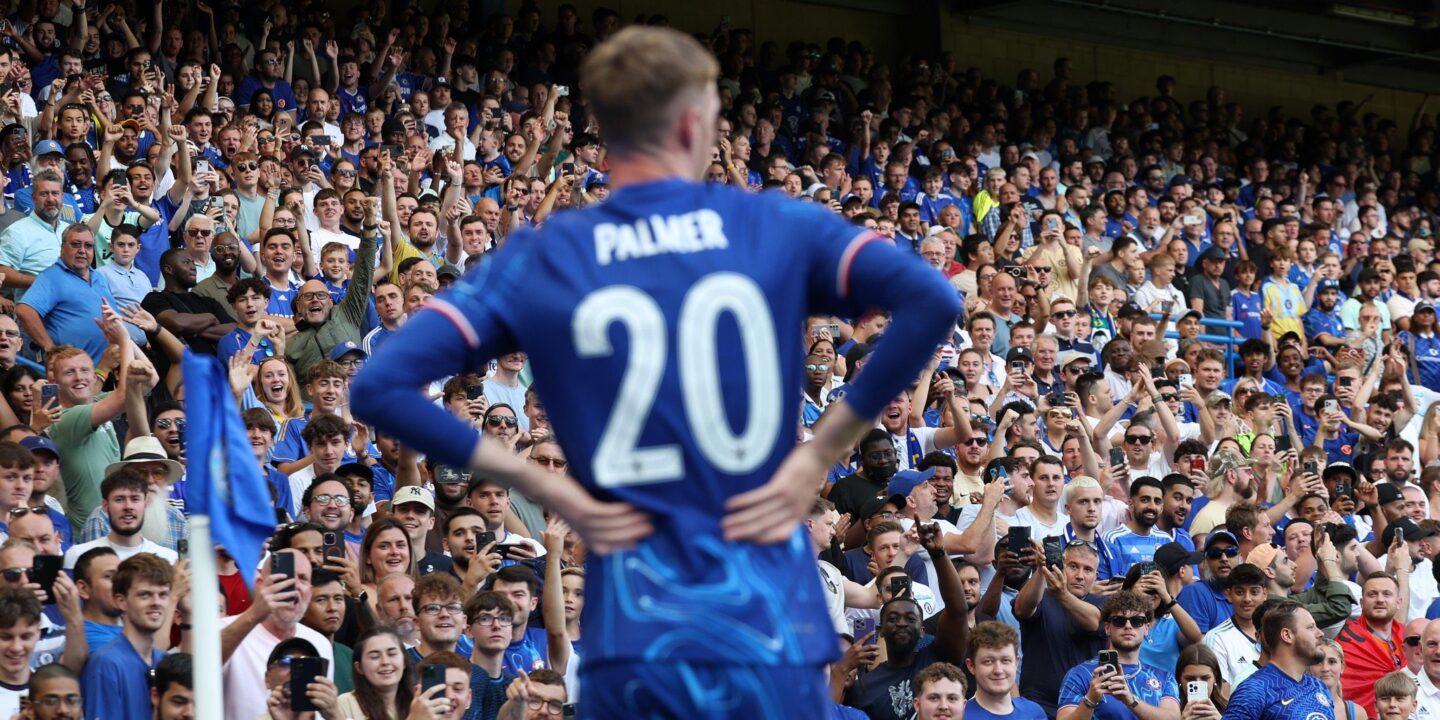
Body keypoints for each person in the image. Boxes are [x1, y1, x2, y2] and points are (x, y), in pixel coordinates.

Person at [352, 26, 959, 716]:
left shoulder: (548, 257)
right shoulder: (772, 226)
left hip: (635, 624)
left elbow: (379, 384)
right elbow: (932, 299)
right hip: (766, 613)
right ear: (698, 119)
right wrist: (819, 452)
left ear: (604, 127)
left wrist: (538, 483)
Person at [1057, 590, 1182, 720]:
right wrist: (1090, 700)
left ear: (1146, 628)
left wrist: (1132, 701)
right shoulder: (1080, 674)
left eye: (1137, 621)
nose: (1128, 626)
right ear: (1107, 628)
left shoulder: (1164, 677)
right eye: (1119, 621)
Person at [80, 553, 172, 719]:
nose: (156, 602)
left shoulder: (164, 661)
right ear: (121, 601)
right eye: (145, 594)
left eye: (163, 594)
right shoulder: (107, 663)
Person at [1222, 601, 1333, 720]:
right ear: (1287, 635)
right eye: (1310, 627)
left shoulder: (1318, 686)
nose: (1320, 633)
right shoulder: (1254, 690)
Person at [965, 621, 1047, 720]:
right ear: (971, 666)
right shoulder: (958, 716)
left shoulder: (1034, 713)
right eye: (988, 661)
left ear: (1016, 663)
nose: (998, 670)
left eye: (1006, 660)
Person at [1202, 563, 1268, 686]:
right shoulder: (1217, 637)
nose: (1247, 599)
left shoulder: (1277, 631)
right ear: (1229, 594)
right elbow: (1219, 690)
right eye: (1239, 592)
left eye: (1254, 592)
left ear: (1265, 594)